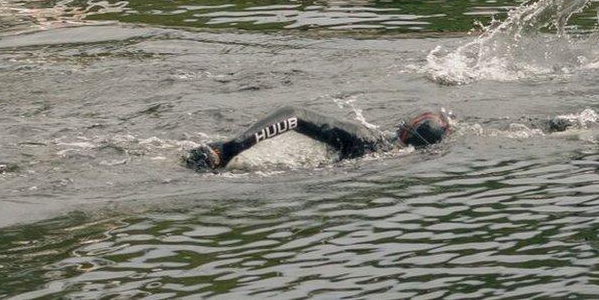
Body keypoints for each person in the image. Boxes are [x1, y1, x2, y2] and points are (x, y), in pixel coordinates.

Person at [186, 107, 450, 172]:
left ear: (403, 131)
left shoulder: (366, 140)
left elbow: (293, 114)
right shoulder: (389, 160)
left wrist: (229, 149)